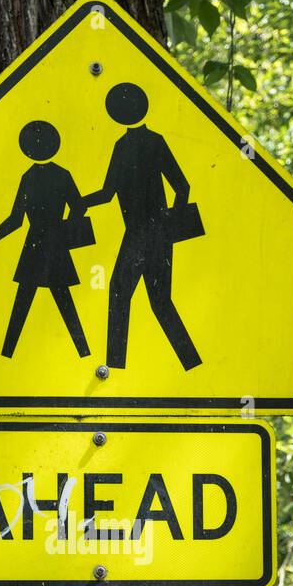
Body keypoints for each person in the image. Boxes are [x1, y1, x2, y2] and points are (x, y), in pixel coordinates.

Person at [83, 82, 202, 371]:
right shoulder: (130, 144)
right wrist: (79, 203)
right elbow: (109, 192)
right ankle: (189, 364)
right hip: (145, 233)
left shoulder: (141, 143)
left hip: (147, 233)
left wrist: (169, 226)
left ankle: (119, 368)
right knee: (149, 300)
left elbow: (181, 185)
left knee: (131, 296)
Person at [0, 120, 93, 360]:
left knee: (23, 302)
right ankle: (84, 352)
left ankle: (7, 353)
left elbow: (16, 220)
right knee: (63, 300)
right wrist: (64, 230)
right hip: (56, 244)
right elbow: (79, 208)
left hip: (34, 245)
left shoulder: (29, 177)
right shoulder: (62, 175)